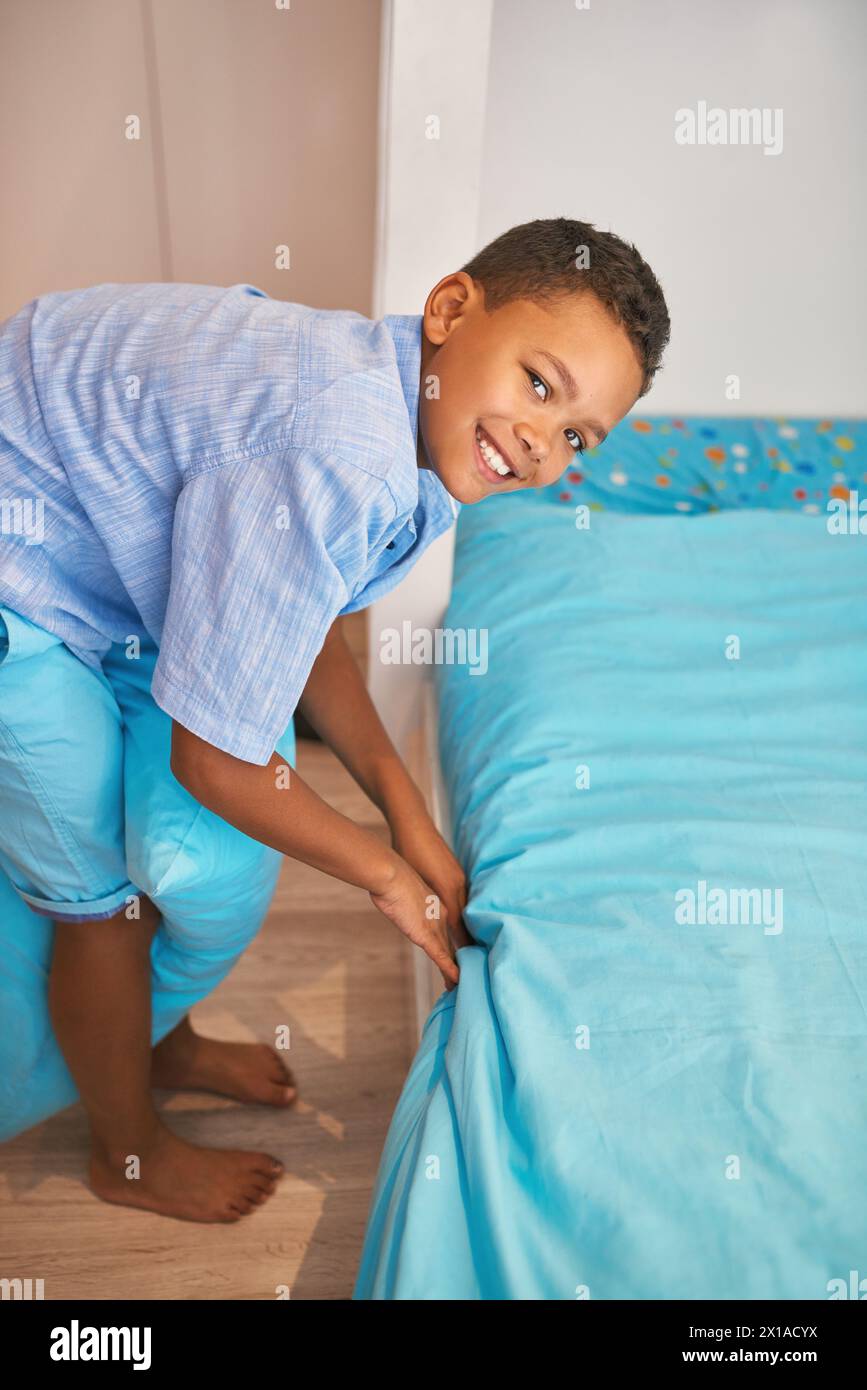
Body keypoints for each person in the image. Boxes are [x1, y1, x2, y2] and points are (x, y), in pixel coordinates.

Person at [0, 217, 670, 1221]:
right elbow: (213, 761)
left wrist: (407, 810)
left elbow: (301, 616)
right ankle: (124, 1148)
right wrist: (383, 870)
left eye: (577, 435)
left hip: (91, 525)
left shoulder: (430, 439)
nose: (542, 441)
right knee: (100, 896)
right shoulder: (339, 445)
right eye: (540, 383)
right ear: (450, 310)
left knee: (186, 868)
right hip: (24, 564)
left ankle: (160, 1039)